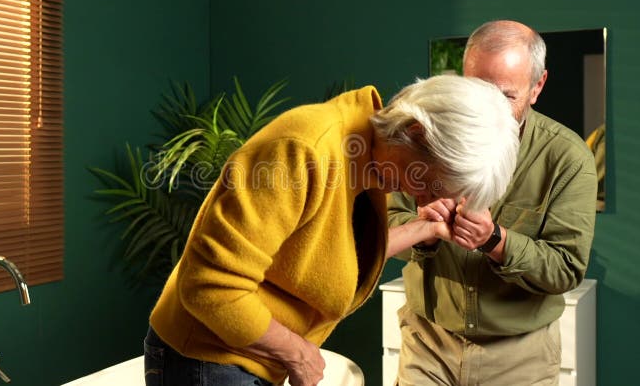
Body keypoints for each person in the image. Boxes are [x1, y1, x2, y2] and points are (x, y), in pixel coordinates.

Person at [144, 75, 521, 386]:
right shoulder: (303, 150)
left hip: (244, 357)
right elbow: (211, 286)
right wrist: (297, 353)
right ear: (416, 132)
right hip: (205, 359)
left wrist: (426, 228)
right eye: (430, 184)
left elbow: (326, 253)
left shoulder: (372, 156)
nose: (421, 195)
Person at [388, 20, 598, 386]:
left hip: (519, 359)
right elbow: (385, 222)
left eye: (505, 96)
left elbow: (565, 270)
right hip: (428, 344)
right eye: (477, 90)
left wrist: (495, 241)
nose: (488, 109)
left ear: (538, 86)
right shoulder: (423, 137)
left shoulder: (568, 159)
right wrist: (421, 233)